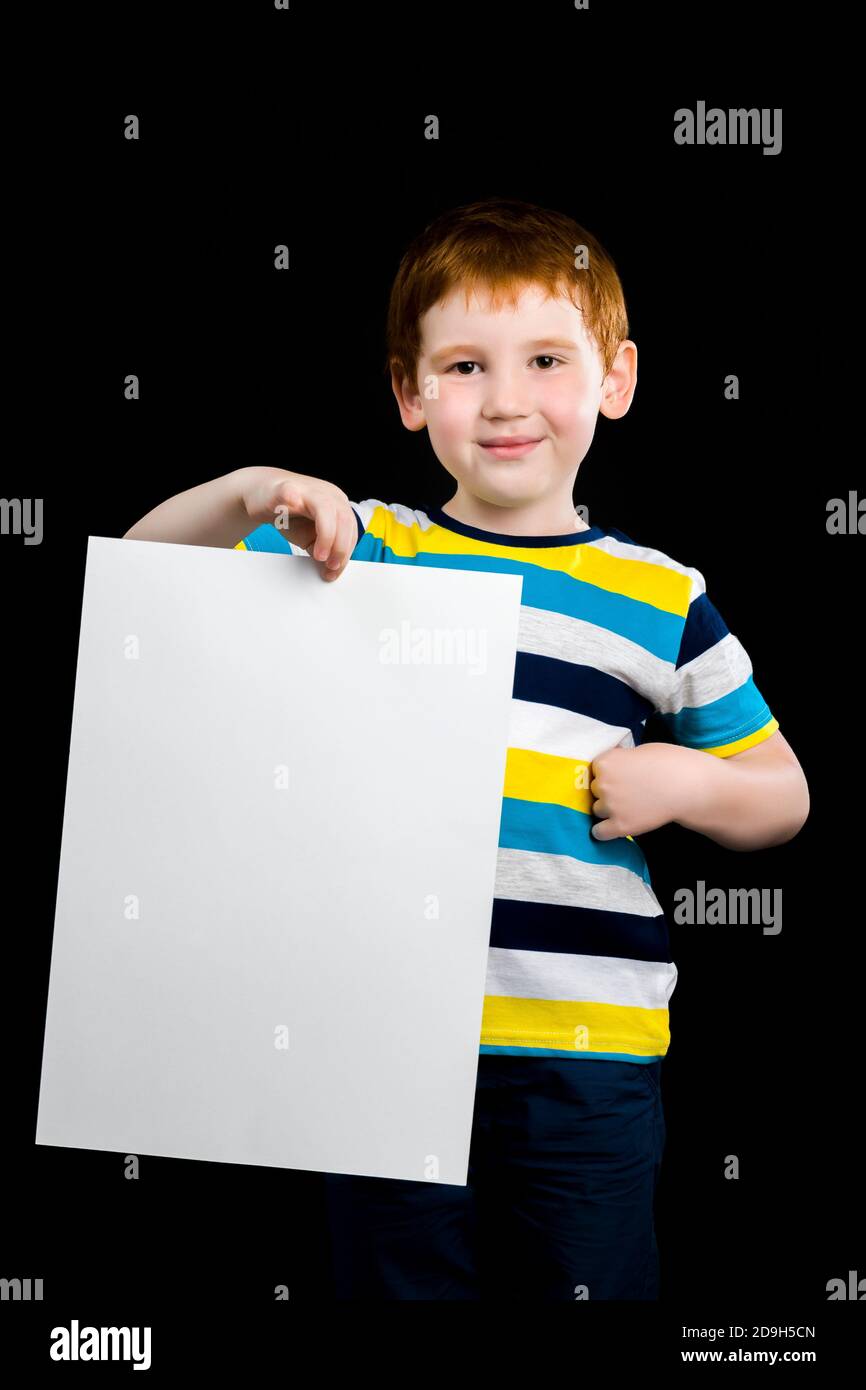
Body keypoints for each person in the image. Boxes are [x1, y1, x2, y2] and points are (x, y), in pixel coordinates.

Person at [124, 197, 810, 1300]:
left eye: (544, 358)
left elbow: (782, 796)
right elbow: (143, 578)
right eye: (460, 366)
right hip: (382, 1040)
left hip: (587, 1055)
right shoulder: (368, 548)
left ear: (613, 380)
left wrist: (686, 780)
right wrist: (251, 494)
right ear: (409, 392)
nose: (504, 401)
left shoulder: (659, 595)